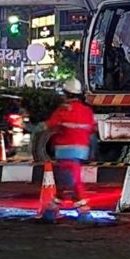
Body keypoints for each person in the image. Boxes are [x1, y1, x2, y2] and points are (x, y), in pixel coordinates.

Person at [38, 79, 97, 217]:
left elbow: (49, 125)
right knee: (67, 183)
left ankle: (81, 211)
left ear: (67, 94)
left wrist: (29, 126)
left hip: (65, 151)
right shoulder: (86, 111)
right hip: (82, 151)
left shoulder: (64, 110)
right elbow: (92, 131)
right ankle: (52, 210)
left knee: (73, 182)